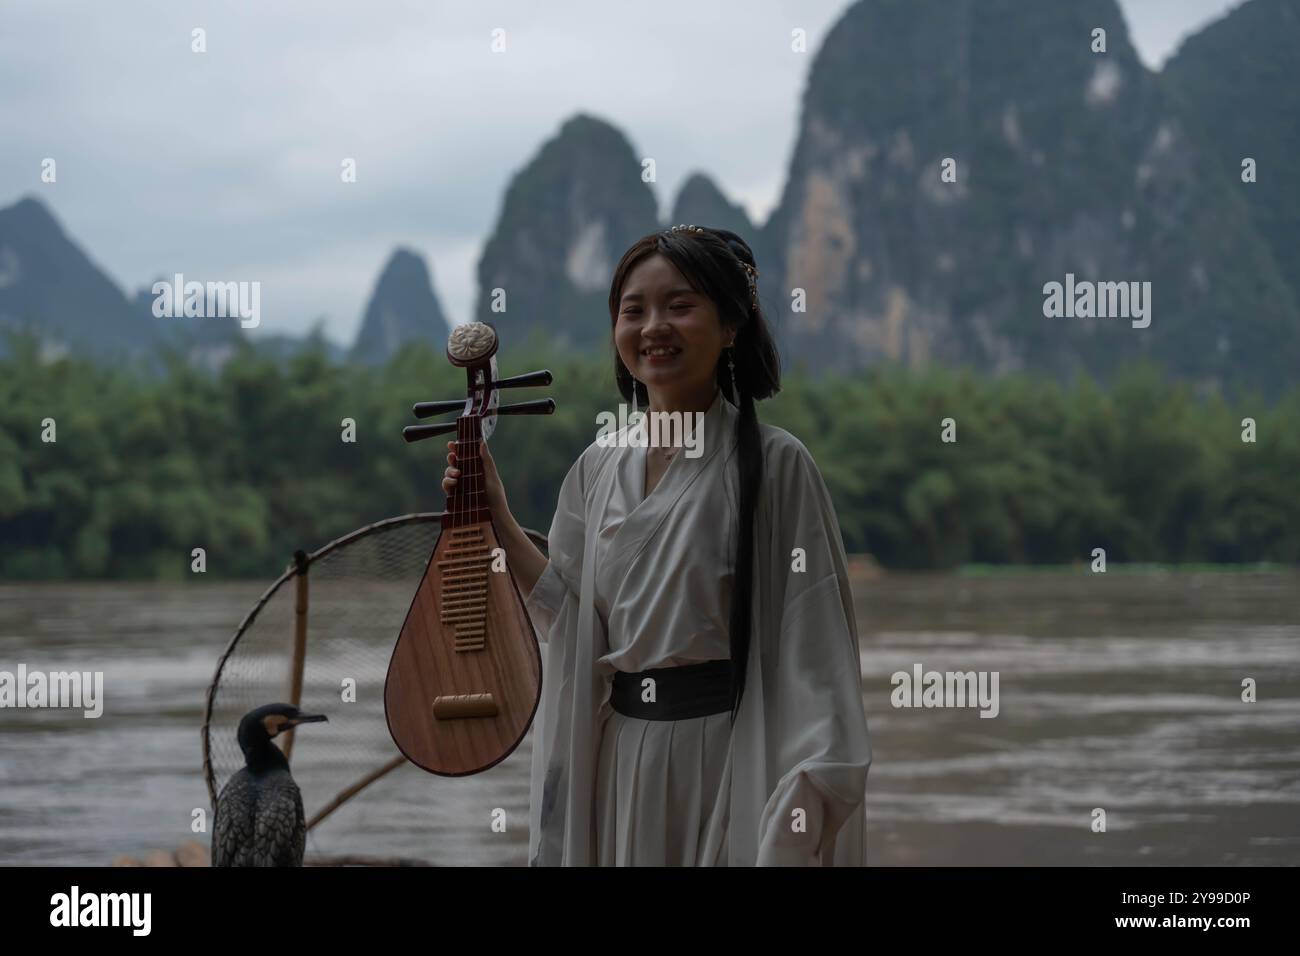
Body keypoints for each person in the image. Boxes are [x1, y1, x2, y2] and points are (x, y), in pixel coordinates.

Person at [442, 225, 871, 866]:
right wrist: (497, 516)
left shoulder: (777, 466)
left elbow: (815, 652)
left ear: (731, 325)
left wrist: (799, 808)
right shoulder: (597, 467)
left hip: (728, 759)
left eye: (680, 305)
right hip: (621, 762)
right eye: (633, 310)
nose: (653, 328)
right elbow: (573, 618)